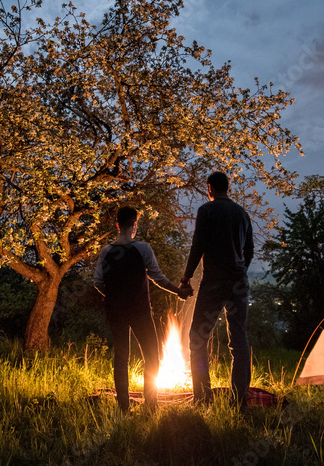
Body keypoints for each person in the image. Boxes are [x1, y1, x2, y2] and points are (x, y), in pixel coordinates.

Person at [94, 206, 189, 412]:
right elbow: (158, 277)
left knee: (121, 357)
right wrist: (178, 291)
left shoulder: (106, 251)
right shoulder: (143, 248)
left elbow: (98, 282)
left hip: (115, 311)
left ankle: (123, 407)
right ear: (134, 225)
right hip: (140, 310)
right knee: (152, 355)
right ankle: (151, 405)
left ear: (118, 225)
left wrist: (112, 297)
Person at [179, 171, 253, 408]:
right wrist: (240, 271)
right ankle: (238, 401)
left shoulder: (206, 211)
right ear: (227, 188)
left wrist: (186, 277)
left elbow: (197, 245)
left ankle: (202, 399)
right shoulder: (242, 213)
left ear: (209, 187)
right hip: (238, 283)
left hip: (214, 283)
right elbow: (249, 251)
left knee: (197, 338)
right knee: (239, 340)